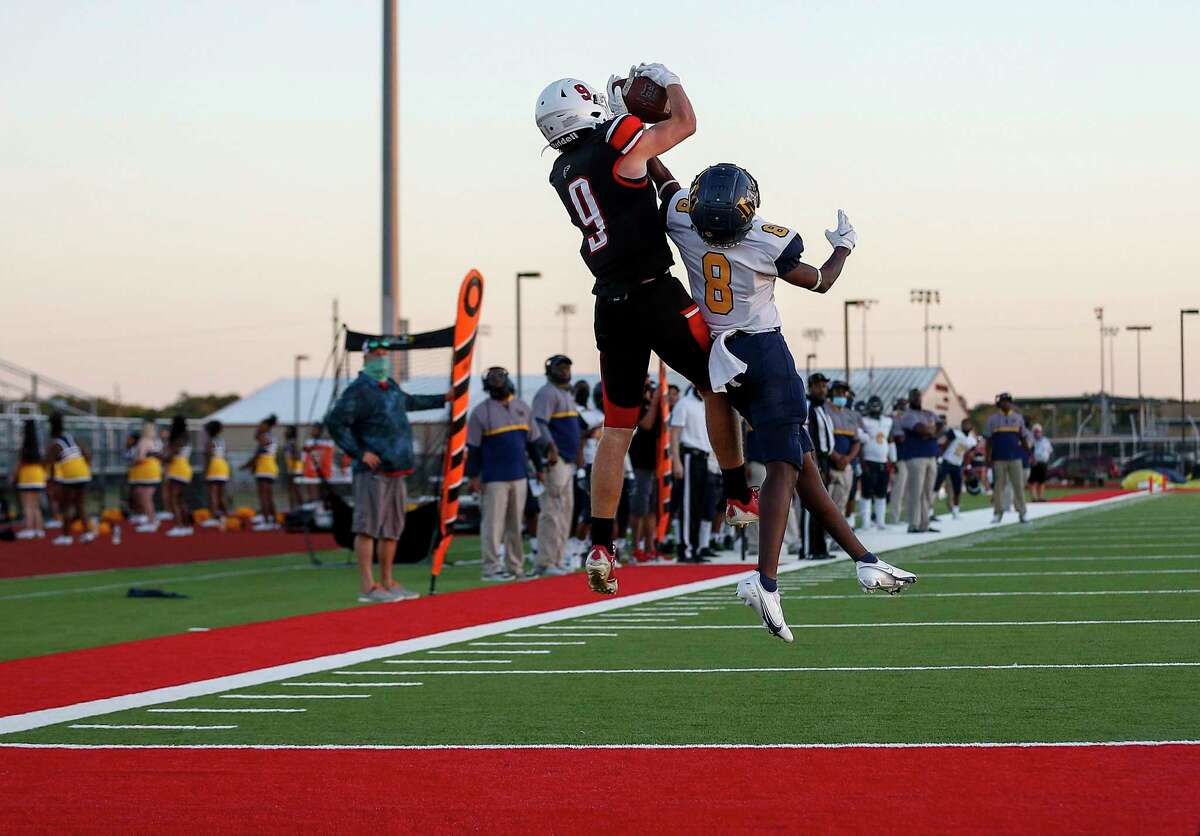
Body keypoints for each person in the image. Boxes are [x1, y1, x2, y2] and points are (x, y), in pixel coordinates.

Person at [656, 161, 916, 639]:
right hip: (764, 355)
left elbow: (665, 181)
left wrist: (630, 130)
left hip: (722, 357)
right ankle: (766, 579)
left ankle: (864, 561)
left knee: (805, 467)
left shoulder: (679, 217)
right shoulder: (764, 239)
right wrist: (844, 246)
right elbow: (821, 280)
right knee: (784, 468)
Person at [535, 66, 755, 596]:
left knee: (617, 428)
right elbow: (685, 123)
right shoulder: (614, 138)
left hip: (608, 304)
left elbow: (635, 168)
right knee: (715, 382)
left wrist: (627, 122)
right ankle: (736, 493)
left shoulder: (563, 169)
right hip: (655, 293)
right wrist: (670, 81)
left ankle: (602, 545)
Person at [324, 340, 448, 603]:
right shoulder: (357, 391)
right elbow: (335, 422)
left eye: (384, 354)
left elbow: (410, 403)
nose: (381, 358)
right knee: (368, 527)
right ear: (365, 358)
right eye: (376, 354)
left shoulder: (389, 386)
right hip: (373, 472)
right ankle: (368, 586)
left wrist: (444, 399)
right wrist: (358, 452)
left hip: (397, 470)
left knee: (392, 528)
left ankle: (388, 580)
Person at [466, 367, 545, 581]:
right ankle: (491, 569)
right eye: (493, 381)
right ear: (488, 386)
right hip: (493, 478)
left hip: (519, 475)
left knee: (515, 525)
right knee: (493, 525)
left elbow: (533, 444)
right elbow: (473, 449)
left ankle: (515, 568)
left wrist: (539, 469)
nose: (497, 384)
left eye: (500, 380)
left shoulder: (522, 407)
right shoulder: (480, 412)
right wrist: (473, 477)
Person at [531, 355, 581, 574]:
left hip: (568, 459)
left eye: (567, 367)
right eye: (560, 367)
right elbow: (538, 423)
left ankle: (558, 558)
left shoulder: (566, 393)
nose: (564, 371)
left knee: (565, 511)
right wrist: (550, 446)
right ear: (550, 370)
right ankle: (546, 561)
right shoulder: (547, 393)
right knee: (552, 510)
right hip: (556, 458)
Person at [669, 385, 720, 561]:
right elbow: (674, 434)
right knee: (688, 505)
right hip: (690, 456)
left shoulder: (705, 404)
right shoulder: (684, 404)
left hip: (704, 458)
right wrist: (676, 461)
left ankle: (696, 547)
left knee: (700, 504)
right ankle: (686, 548)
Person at [627, 377, 664, 562]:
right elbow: (646, 424)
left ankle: (650, 546)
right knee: (639, 507)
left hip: (654, 464)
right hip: (640, 462)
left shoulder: (652, 404)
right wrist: (655, 402)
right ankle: (635, 546)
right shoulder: (636, 404)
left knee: (652, 508)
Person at [44, 413, 93, 546]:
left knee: (66, 506)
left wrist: (51, 481)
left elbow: (48, 463)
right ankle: (87, 533)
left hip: (70, 476)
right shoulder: (73, 439)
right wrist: (86, 468)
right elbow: (87, 454)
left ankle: (66, 537)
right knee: (80, 505)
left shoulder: (55, 444)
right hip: (84, 473)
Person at [898, 388, 939, 533]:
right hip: (916, 456)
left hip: (931, 455)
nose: (917, 399)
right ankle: (913, 523)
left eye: (918, 396)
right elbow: (922, 429)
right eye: (914, 397)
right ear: (910, 399)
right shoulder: (908, 415)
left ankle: (924, 523)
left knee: (927, 492)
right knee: (916, 491)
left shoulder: (928, 413)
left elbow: (940, 427)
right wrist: (930, 431)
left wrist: (931, 431)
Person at [803, 374, 835, 559]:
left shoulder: (822, 408)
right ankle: (809, 548)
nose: (823, 389)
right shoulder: (809, 407)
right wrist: (815, 465)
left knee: (822, 506)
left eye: (824, 386)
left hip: (824, 460)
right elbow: (807, 437)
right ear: (811, 387)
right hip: (813, 460)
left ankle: (820, 547)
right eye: (819, 386)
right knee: (811, 505)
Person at [985, 392, 1029, 523]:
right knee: (999, 486)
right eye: (1004, 401)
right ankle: (998, 512)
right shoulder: (992, 419)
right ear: (999, 403)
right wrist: (987, 457)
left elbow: (1023, 437)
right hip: (999, 457)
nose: (1006, 403)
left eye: (1008, 401)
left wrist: (1028, 454)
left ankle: (1022, 512)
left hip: (1015, 456)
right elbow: (989, 440)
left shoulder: (1018, 418)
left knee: (1018, 485)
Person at [824, 380, 861, 532]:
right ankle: (821, 539)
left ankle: (835, 538)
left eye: (843, 392)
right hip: (828, 463)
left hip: (845, 465)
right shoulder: (824, 410)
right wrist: (836, 457)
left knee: (841, 503)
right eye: (837, 391)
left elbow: (856, 441)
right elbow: (821, 439)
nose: (841, 395)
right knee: (825, 504)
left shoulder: (850, 414)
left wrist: (847, 458)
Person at [856, 396, 892, 531]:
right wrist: (862, 462)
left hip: (883, 461)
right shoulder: (863, 421)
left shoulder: (888, 421)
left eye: (877, 405)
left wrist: (893, 459)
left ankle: (880, 522)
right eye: (873, 405)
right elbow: (858, 442)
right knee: (866, 492)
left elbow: (890, 439)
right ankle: (866, 523)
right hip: (869, 461)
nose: (875, 408)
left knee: (881, 492)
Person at [936, 418, 979, 519]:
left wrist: (968, 466)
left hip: (957, 464)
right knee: (937, 485)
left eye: (968, 424)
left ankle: (956, 511)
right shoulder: (955, 433)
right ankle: (929, 511)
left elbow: (968, 454)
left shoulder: (972, 440)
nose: (966, 426)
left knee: (957, 489)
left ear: (971, 426)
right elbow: (944, 444)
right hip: (946, 460)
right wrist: (940, 457)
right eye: (964, 424)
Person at [243, 414, 279, 531]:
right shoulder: (272, 437)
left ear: (267, 426)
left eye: (261, 425)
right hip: (271, 466)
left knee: (263, 496)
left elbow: (258, 454)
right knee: (269, 496)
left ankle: (266, 521)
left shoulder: (263, 437)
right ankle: (273, 521)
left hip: (264, 467)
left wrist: (247, 466)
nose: (259, 427)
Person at [12, 420, 46, 540]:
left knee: (27, 505)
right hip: (39, 477)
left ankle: (29, 529)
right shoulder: (38, 447)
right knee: (36, 506)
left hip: (26, 478)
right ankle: (39, 530)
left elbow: (20, 464)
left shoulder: (24, 448)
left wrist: (13, 476)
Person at [128, 420, 163, 532]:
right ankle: (152, 519)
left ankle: (151, 522)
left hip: (145, 472)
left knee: (146, 499)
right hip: (154, 471)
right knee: (147, 498)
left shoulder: (144, 441)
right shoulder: (155, 441)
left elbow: (141, 458)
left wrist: (133, 461)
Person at [163, 416, 194, 537]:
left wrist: (157, 456)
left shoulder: (177, 438)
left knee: (174, 500)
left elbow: (171, 456)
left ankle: (179, 526)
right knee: (180, 500)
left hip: (177, 468)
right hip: (185, 467)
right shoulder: (187, 437)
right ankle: (186, 526)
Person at [202, 420, 230, 526]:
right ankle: (226, 515)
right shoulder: (222, 440)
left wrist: (205, 472)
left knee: (213, 494)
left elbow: (208, 457)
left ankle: (214, 517)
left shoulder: (209, 441)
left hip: (214, 467)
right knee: (222, 495)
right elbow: (226, 455)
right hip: (223, 466)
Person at [1029, 423, 1054, 501]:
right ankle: (1034, 497)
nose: (1037, 433)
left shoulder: (1045, 441)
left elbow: (1050, 451)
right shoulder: (1030, 441)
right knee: (1033, 481)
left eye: (1038, 431)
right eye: (1035, 432)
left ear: (1041, 432)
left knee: (1042, 481)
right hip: (1033, 463)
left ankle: (1041, 497)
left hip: (1043, 463)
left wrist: (1048, 460)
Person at [284, 426, 304, 511]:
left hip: (295, 470)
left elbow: (298, 456)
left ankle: (301, 507)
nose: (285, 432)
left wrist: (294, 455)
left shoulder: (293, 443)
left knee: (296, 490)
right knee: (292, 490)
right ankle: (293, 508)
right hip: (291, 469)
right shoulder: (288, 443)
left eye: (287, 430)